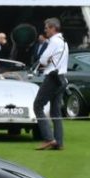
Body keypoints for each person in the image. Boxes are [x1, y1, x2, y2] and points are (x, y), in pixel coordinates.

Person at [33, 18, 67, 150]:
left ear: (53, 28)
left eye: (47, 28)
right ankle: (59, 142)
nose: (45, 30)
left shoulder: (54, 41)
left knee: (37, 106)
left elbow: (43, 59)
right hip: (62, 78)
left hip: (52, 77)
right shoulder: (64, 42)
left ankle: (49, 138)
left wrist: (46, 62)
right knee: (55, 111)